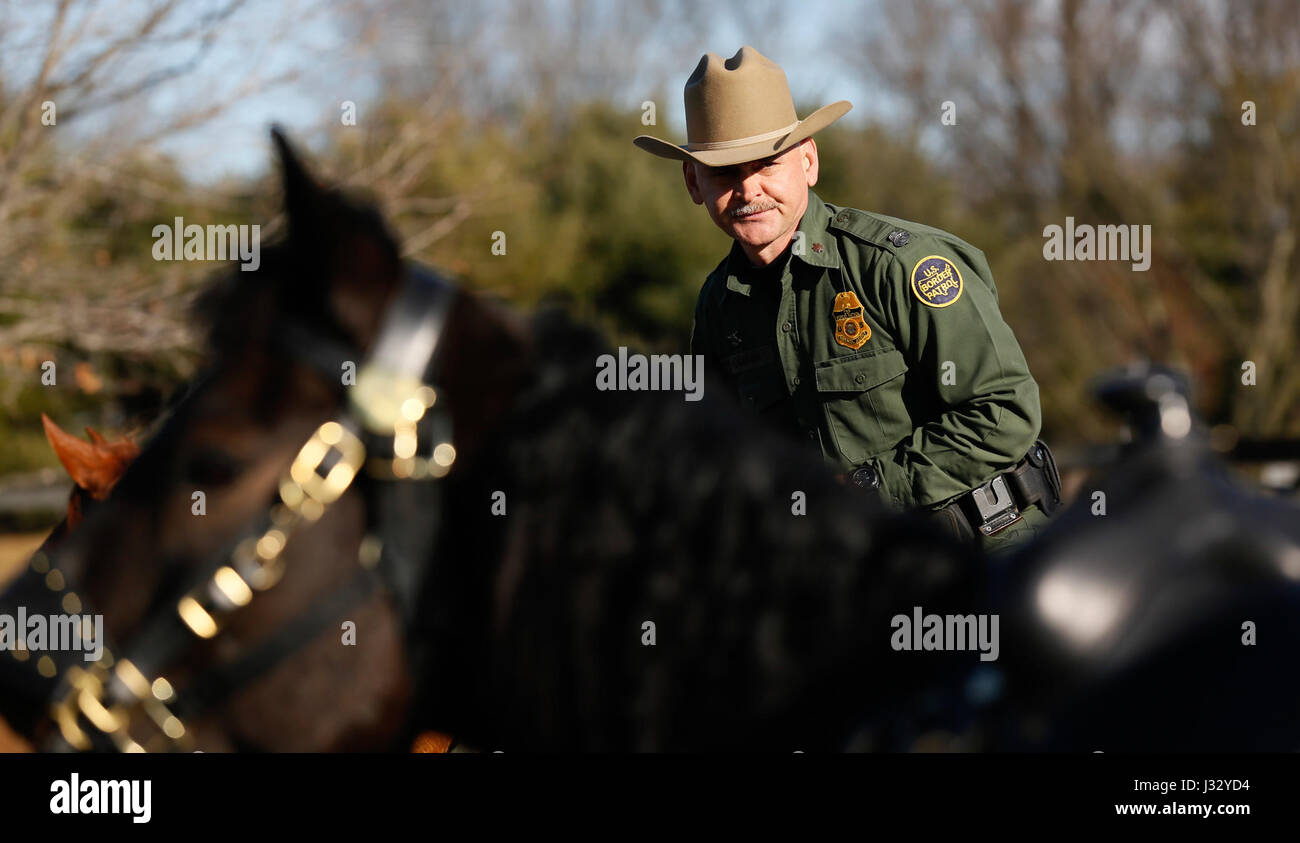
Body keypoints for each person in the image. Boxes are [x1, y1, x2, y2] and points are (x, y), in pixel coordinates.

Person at [634, 46, 1059, 551]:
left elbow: (1004, 411)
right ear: (693, 183)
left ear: (808, 160)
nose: (749, 191)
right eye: (725, 172)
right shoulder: (719, 307)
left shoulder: (897, 264)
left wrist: (862, 491)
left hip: (985, 557)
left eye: (767, 164)